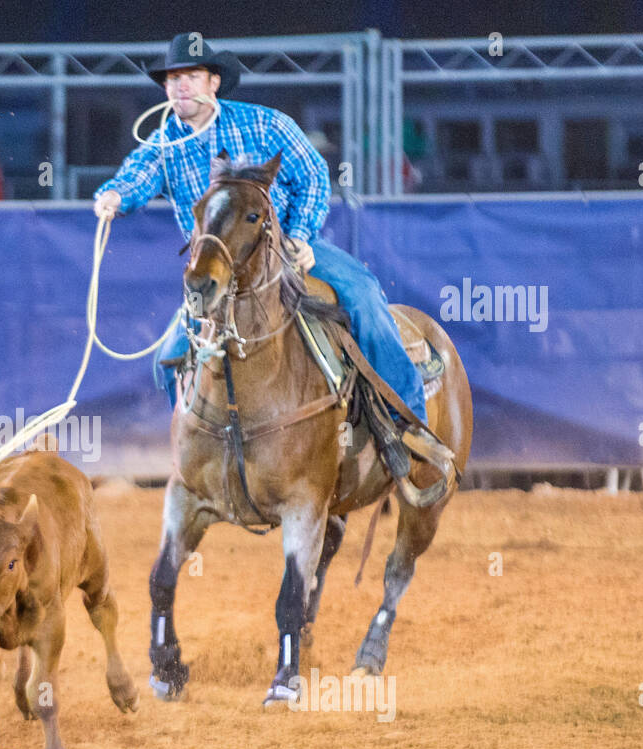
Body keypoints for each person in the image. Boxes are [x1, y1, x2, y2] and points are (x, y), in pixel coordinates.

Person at [93, 33, 429, 474]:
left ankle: (407, 420)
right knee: (168, 359)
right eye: (173, 79)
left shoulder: (265, 125)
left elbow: (312, 176)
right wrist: (114, 196)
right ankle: (208, 453)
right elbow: (138, 174)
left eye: (191, 76)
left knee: (363, 294)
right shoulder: (165, 144)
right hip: (218, 270)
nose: (181, 86)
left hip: (286, 246)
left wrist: (302, 237)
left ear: (213, 82)